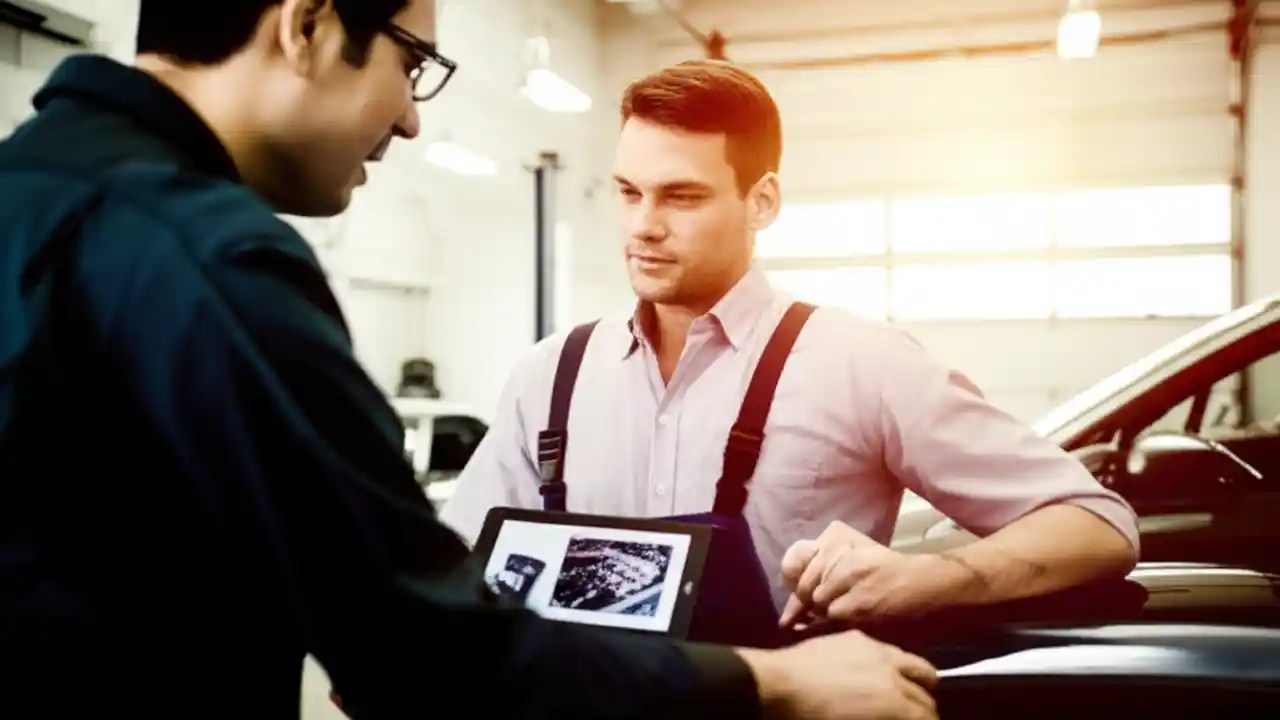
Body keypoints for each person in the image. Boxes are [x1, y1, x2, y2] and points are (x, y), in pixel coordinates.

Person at [0, 1, 942, 718]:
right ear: (307, 25)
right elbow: (417, 651)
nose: (410, 120)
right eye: (413, 63)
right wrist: (775, 683)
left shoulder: (28, 191)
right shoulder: (209, 255)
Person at [440, 60, 1142, 630]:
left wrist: (929, 580)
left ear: (762, 202)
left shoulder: (863, 365)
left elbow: (1094, 524)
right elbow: (449, 568)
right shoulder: (550, 377)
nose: (644, 226)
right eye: (629, 192)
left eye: (681, 197)